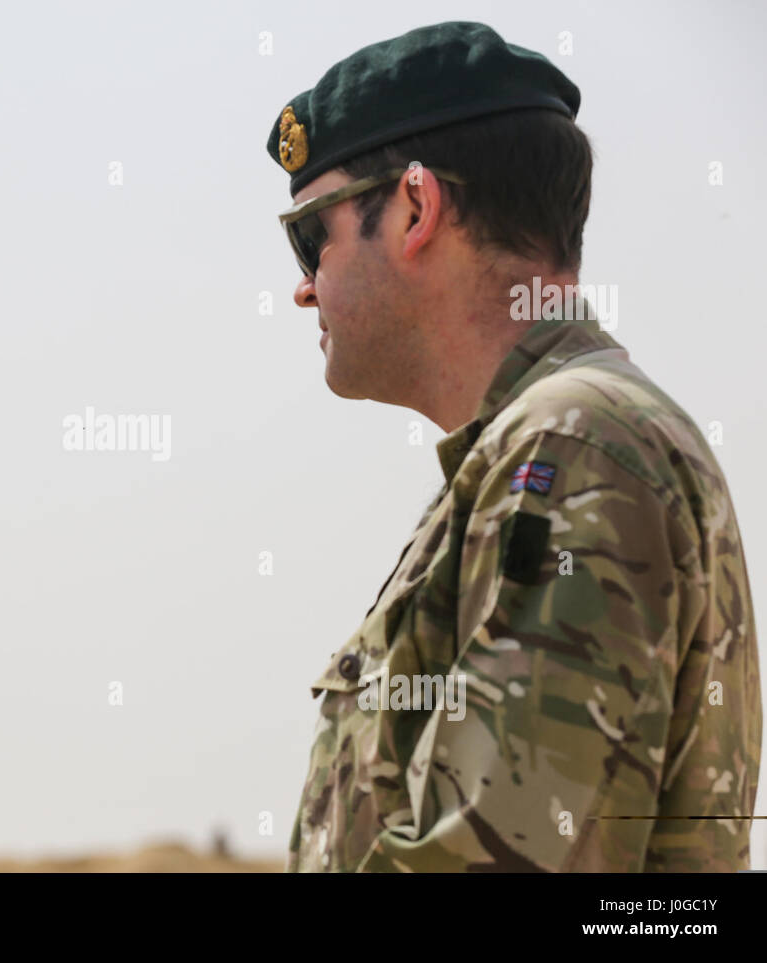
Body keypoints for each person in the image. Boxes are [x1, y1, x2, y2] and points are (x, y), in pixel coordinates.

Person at [267, 22, 760, 871]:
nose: (305, 286)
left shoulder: (576, 451)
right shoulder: (552, 445)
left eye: (314, 236)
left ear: (417, 208)